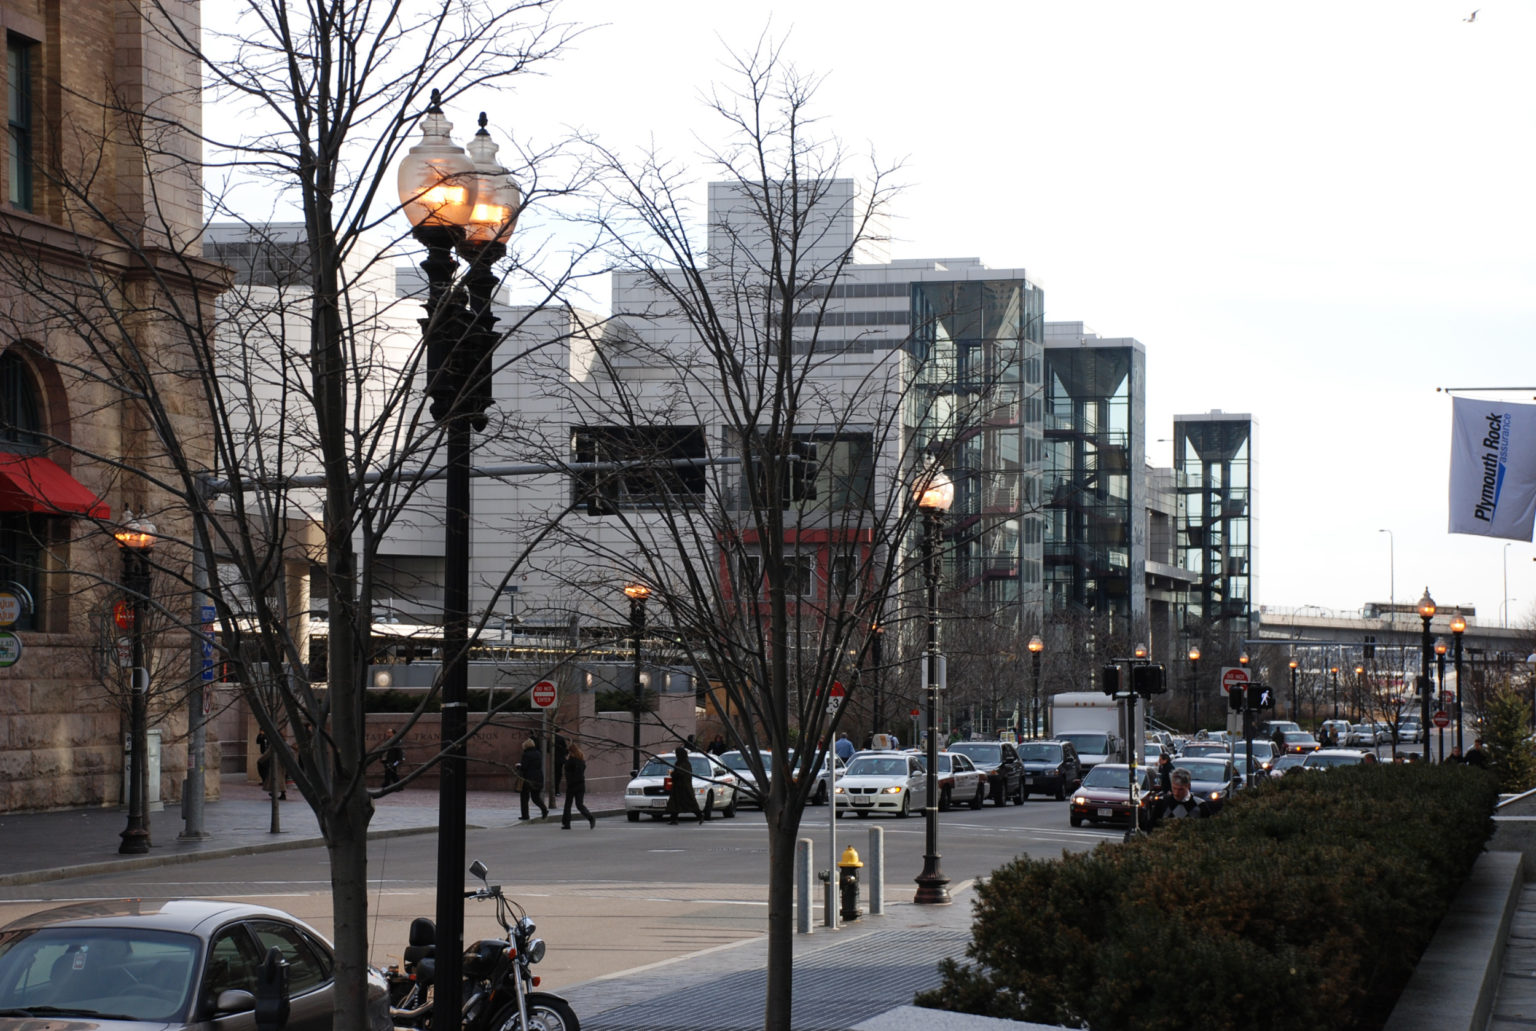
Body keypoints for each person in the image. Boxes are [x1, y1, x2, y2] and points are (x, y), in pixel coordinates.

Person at [665, 744, 706, 825]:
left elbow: (680, 773)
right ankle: (674, 819)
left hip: (684, 787)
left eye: (677, 754)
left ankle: (700, 815)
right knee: (674, 803)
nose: (676, 756)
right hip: (678, 787)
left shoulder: (684, 763)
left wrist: (673, 774)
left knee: (690, 803)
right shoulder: (680, 763)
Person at [561, 743, 596, 830]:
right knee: (579, 804)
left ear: (571, 752)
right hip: (580, 785)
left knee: (568, 805)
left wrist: (565, 760)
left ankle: (566, 823)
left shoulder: (571, 760)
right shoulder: (581, 761)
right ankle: (590, 818)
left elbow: (567, 770)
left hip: (572, 785)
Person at [517, 739, 548, 820]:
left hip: (528, 779)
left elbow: (524, 767)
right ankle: (544, 809)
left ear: (525, 746)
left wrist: (518, 766)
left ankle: (525, 815)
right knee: (535, 797)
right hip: (538, 778)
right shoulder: (538, 753)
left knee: (524, 797)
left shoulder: (526, 754)